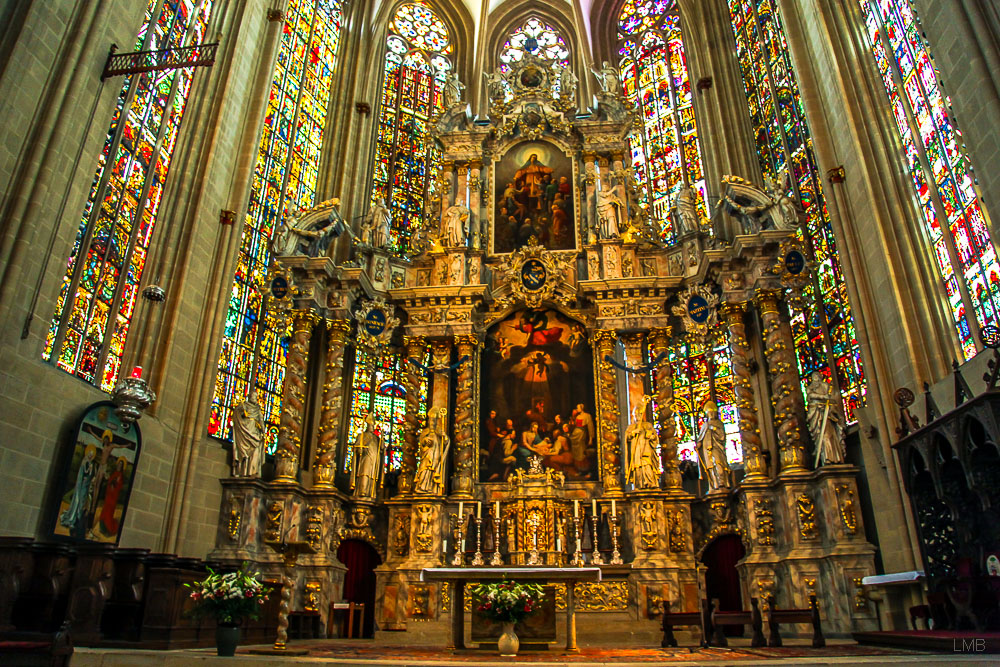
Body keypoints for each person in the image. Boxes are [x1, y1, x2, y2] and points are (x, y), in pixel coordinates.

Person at [806, 372, 846, 465]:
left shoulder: (825, 386)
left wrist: (830, 406)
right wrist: (823, 397)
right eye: (813, 377)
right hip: (816, 414)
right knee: (822, 436)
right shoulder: (810, 388)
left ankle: (835, 457)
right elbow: (811, 396)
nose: (815, 378)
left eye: (817, 376)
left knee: (830, 435)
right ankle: (826, 458)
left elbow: (832, 398)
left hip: (827, 413)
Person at [60, 444, 98, 536]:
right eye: (89, 454)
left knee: (83, 502)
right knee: (79, 501)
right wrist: (88, 470)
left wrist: (92, 475)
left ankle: (79, 517)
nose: (90, 456)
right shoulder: (85, 462)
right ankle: (75, 517)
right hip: (82, 485)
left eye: (92, 455)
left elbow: (91, 475)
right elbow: (84, 472)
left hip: (86, 486)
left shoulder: (91, 464)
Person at [625, 396, 660, 489]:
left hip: (646, 451)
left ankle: (650, 482)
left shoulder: (647, 425)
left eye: (639, 415)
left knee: (647, 466)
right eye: (636, 415)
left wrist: (650, 435)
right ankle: (639, 484)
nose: (637, 417)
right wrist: (633, 433)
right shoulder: (631, 427)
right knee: (638, 467)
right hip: (636, 452)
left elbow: (655, 437)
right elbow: (627, 437)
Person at [698, 401, 730, 491]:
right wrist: (698, 444)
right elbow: (700, 438)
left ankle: (722, 483)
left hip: (717, 447)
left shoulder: (719, 423)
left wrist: (714, 428)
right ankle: (714, 484)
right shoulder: (704, 425)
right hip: (707, 449)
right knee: (710, 467)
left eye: (713, 413)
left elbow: (722, 436)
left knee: (719, 465)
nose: (711, 414)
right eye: (709, 413)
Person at [232, 389, 265, 477]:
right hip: (245, 430)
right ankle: (242, 471)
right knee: (243, 453)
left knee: (256, 450)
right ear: (249, 397)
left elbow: (261, 421)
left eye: (256, 397)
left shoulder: (258, 409)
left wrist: (264, 431)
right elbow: (237, 414)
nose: (255, 398)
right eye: (253, 396)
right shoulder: (243, 406)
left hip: (254, 431)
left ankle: (252, 472)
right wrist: (241, 412)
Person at [351, 412, 381, 498]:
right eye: (370, 425)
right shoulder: (361, 436)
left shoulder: (376, 438)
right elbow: (356, 447)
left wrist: (382, 444)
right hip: (365, 458)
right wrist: (359, 450)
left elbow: (381, 449)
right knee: (364, 474)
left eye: (372, 426)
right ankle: (362, 491)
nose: (371, 427)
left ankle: (370, 492)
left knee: (372, 476)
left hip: (374, 460)